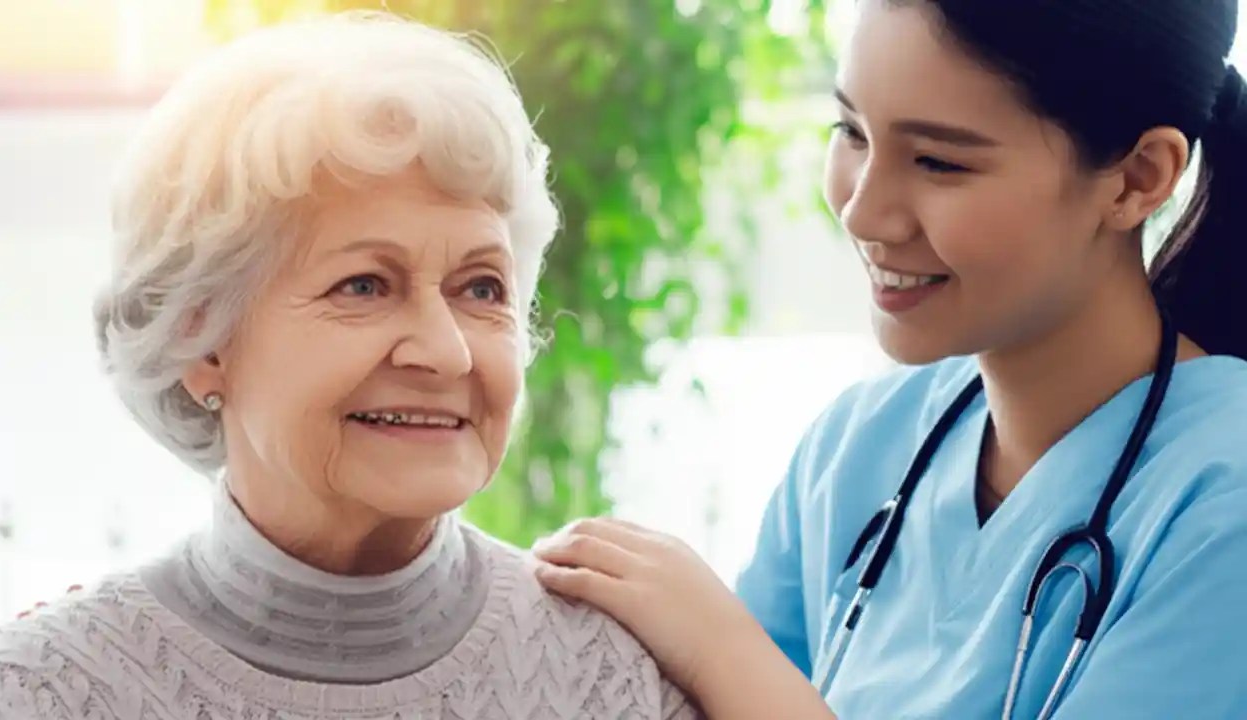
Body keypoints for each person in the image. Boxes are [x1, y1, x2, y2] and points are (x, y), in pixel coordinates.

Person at [0, 12, 697, 720]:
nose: (446, 351)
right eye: (365, 286)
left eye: (482, 288)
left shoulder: (615, 677)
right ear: (202, 341)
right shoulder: (39, 695)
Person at [532, 0, 1247, 718]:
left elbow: (742, 683)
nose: (861, 213)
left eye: (938, 162)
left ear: (1137, 179)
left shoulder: (1223, 501)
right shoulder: (857, 447)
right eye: (851, 132)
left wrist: (718, 644)